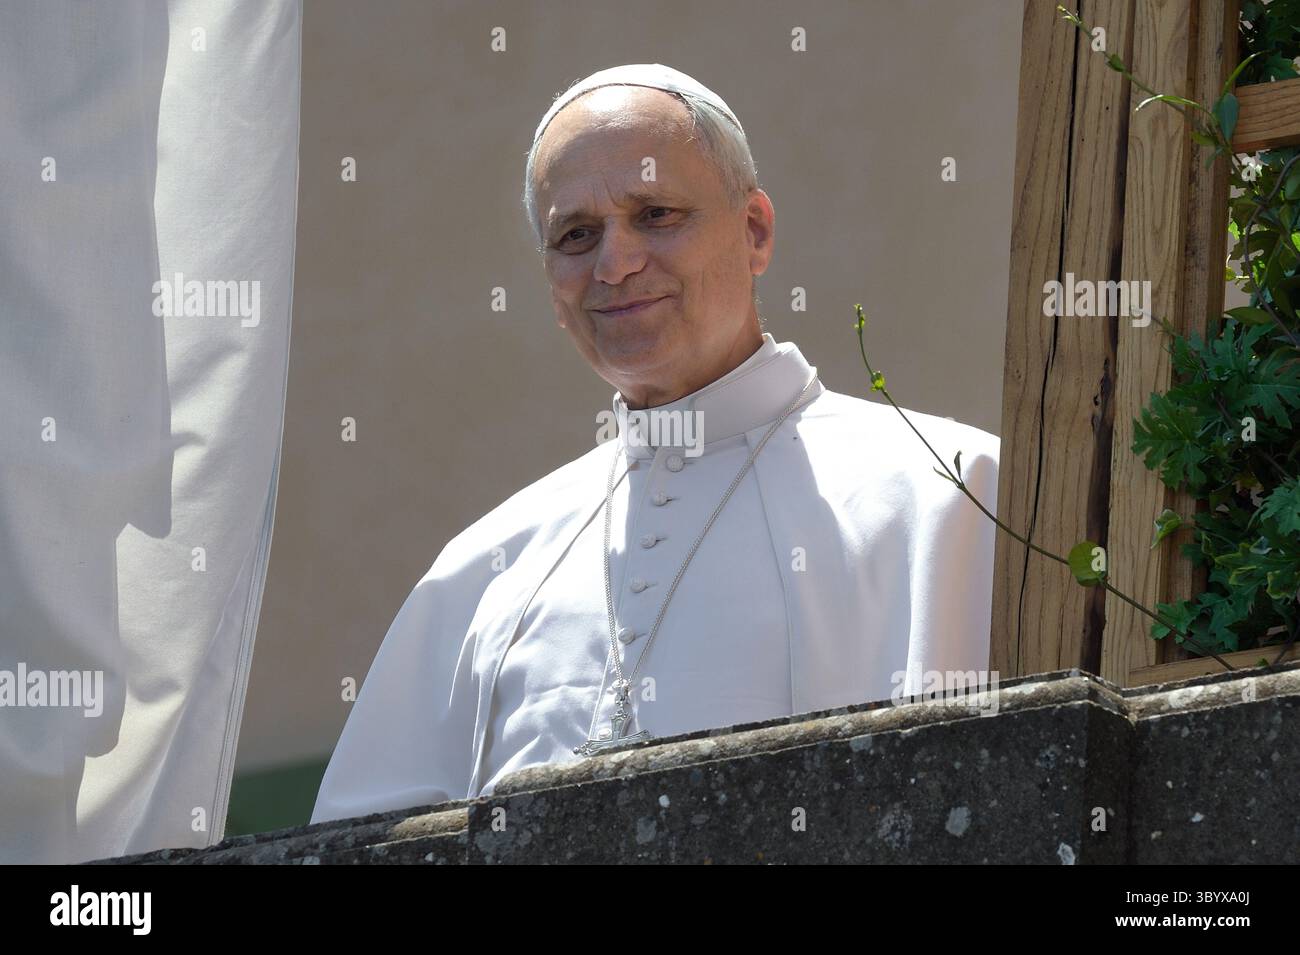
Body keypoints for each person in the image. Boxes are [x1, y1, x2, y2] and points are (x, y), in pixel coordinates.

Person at [311, 63, 998, 824]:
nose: (615, 263)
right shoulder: (483, 570)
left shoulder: (950, 490)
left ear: (755, 230)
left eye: (656, 214)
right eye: (577, 235)